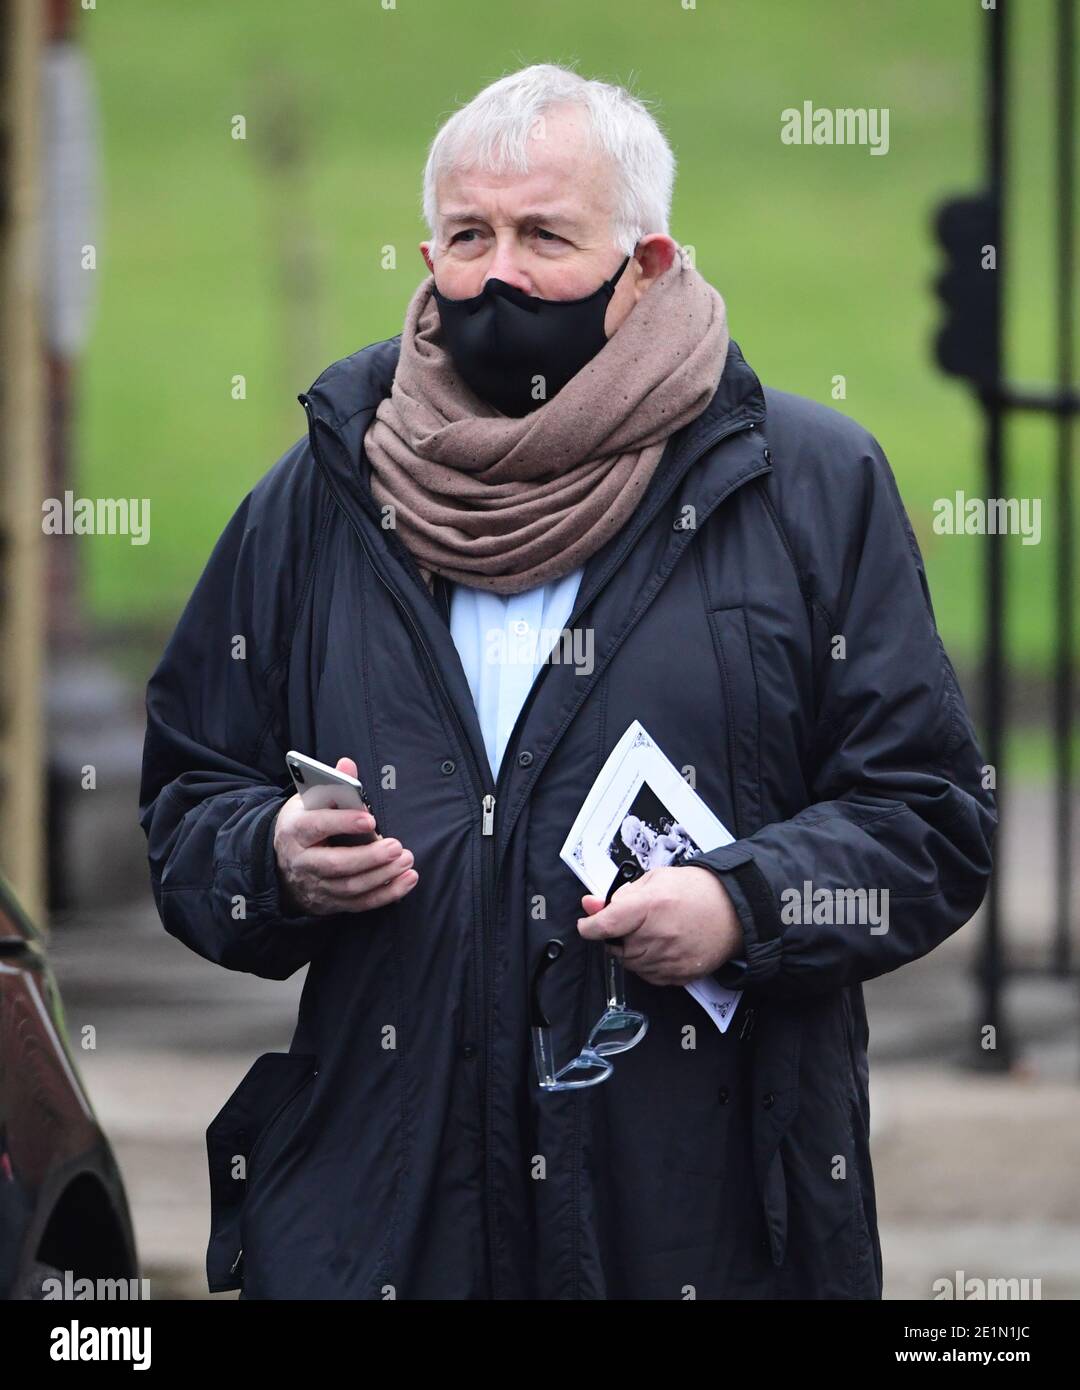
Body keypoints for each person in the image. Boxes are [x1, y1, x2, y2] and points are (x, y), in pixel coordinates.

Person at [139, 63, 995, 1300]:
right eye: (468, 236)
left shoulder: (806, 484)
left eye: (545, 236)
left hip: (699, 1222)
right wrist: (269, 853)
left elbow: (929, 818)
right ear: (424, 254)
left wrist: (744, 908)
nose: (499, 275)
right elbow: (183, 802)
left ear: (644, 262)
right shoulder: (323, 493)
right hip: (383, 1215)